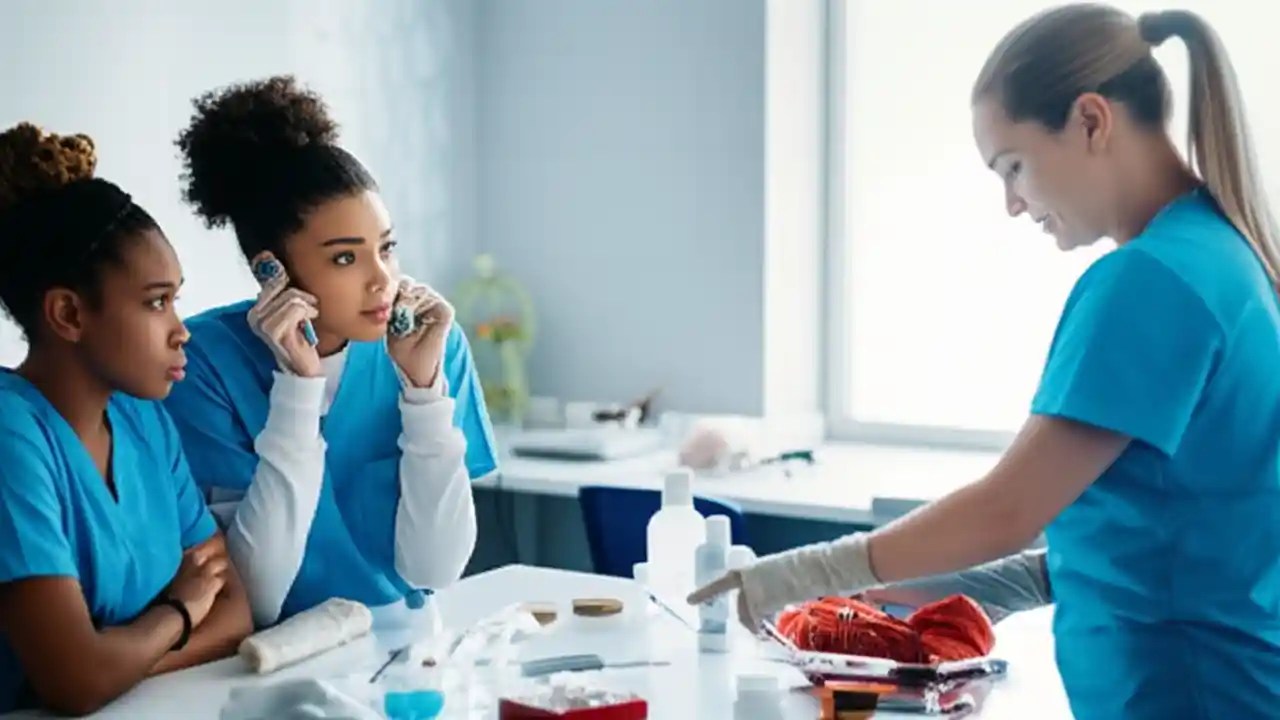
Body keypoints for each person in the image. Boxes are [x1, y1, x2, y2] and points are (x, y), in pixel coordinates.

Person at [691, 6, 1280, 718]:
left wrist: (795, 574)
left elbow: (1010, 506)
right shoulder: (1220, 255)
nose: (1011, 203)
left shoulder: (1150, 281)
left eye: (1015, 166)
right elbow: (1177, 520)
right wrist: (1004, 584)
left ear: (1092, 121)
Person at [164, 75, 498, 631]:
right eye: (346, 259)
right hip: (265, 661)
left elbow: (434, 570)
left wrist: (423, 395)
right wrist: (297, 389)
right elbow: (255, 597)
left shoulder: (432, 345)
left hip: (403, 650)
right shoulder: (204, 367)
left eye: (386, 249)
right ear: (270, 269)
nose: (382, 281)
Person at [0, 123, 252, 715]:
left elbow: (236, 610)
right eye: (156, 302)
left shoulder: (144, 421)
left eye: (176, 299)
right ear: (68, 313)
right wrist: (180, 611)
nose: (180, 328)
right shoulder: (11, 437)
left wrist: (121, 663)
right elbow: (76, 683)